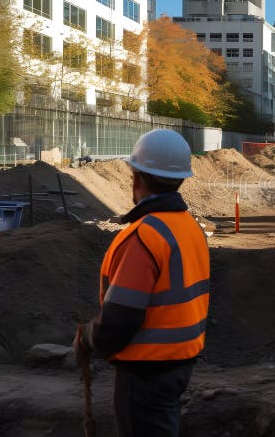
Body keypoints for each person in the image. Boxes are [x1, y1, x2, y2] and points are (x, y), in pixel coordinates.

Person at [74, 129, 210, 436]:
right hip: (180, 363)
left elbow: (119, 320)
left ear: (137, 178)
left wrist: (87, 339)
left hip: (146, 371)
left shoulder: (143, 238)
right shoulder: (189, 228)